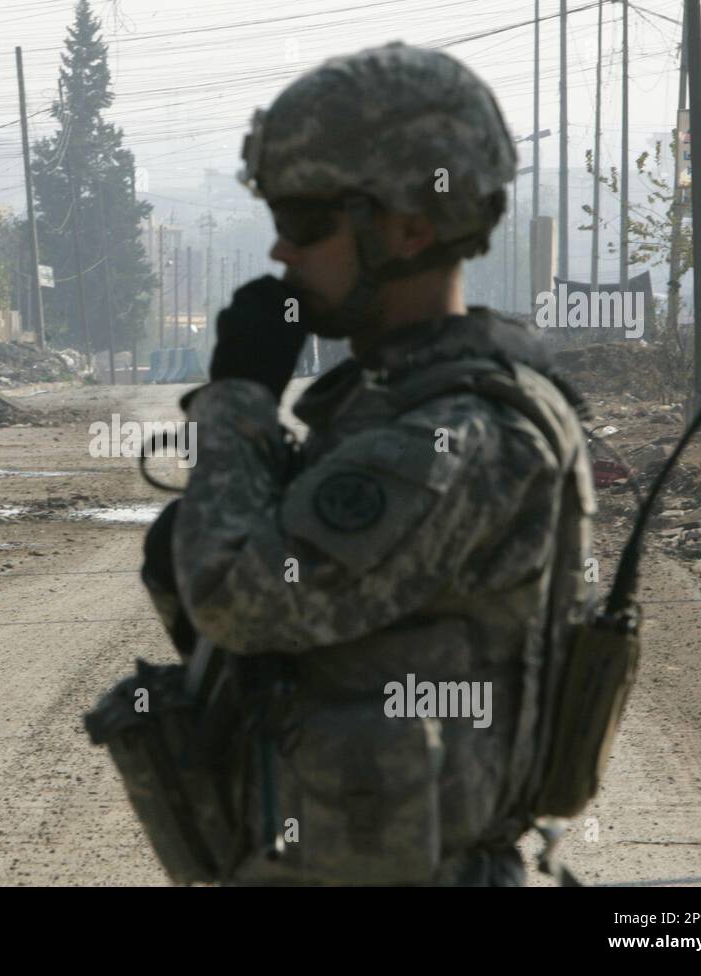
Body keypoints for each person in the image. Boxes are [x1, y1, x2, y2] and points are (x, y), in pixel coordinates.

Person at [140, 43, 596, 885]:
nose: (282, 253)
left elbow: (240, 605)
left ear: (409, 228)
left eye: (305, 224)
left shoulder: (461, 434)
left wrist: (239, 397)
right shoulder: (382, 406)